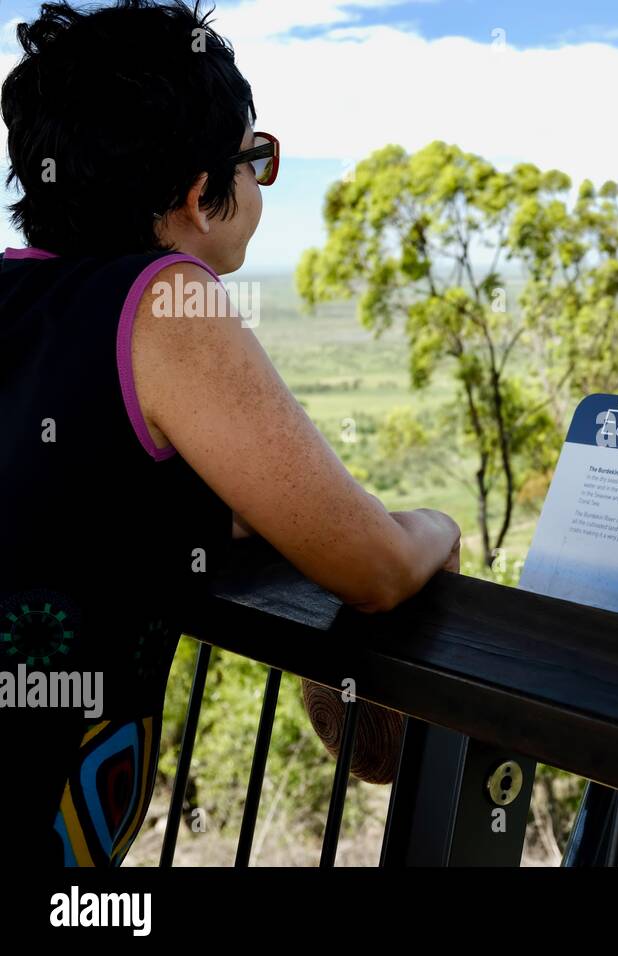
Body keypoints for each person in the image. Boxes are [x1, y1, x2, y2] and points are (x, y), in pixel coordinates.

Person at [0, 0, 460, 865]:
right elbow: (376, 568)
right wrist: (437, 527)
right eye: (254, 157)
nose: (258, 183)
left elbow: (80, 487)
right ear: (198, 197)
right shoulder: (166, 299)